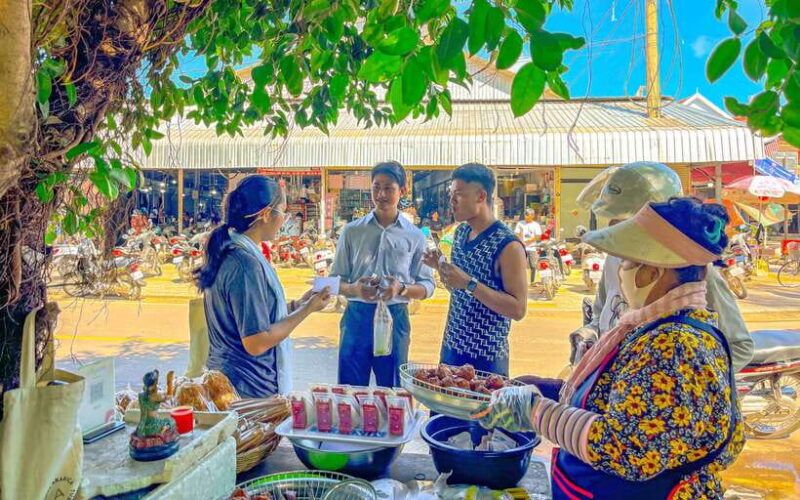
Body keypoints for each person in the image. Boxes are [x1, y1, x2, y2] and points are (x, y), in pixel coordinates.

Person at [478, 197, 745, 499]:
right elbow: (630, 400)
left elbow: (627, 449)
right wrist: (553, 390)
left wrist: (534, 411)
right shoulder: (657, 327)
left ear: (655, 271)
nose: (622, 272)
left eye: (629, 263)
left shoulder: (675, 345)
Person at [564, 162, 753, 373]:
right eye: (613, 221)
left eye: (625, 224)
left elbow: (740, 346)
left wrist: (695, 378)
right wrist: (590, 333)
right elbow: (604, 315)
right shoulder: (614, 260)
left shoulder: (694, 272)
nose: (613, 230)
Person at [196, 176, 331, 398]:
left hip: (235, 383)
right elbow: (256, 342)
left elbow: (257, 316)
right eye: (283, 212)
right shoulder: (244, 264)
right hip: (247, 390)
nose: (285, 220)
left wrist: (300, 303)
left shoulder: (235, 250)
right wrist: (307, 310)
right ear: (266, 214)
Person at [330, 161, 435, 387]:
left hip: (395, 316)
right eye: (376, 187)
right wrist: (354, 289)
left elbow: (428, 285)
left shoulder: (415, 236)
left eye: (389, 188)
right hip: (357, 317)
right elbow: (332, 282)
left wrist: (402, 289)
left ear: (402, 191)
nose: (381, 194)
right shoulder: (352, 231)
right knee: (350, 391)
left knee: (393, 391)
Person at [423, 163, 528, 376]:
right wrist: (442, 268)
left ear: (481, 196)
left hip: (487, 359)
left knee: (482, 411)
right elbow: (459, 290)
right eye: (451, 194)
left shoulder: (508, 245)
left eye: (458, 195)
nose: (451, 202)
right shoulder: (461, 233)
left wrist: (469, 283)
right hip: (451, 350)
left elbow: (518, 309)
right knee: (443, 410)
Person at [515, 209, 543, 281]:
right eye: (526, 216)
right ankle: (521, 281)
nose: (527, 217)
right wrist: (522, 241)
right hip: (522, 247)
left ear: (533, 216)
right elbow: (516, 234)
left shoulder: (536, 225)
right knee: (521, 266)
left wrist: (529, 241)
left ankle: (532, 281)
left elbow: (538, 236)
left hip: (532, 248)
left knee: (533, 266)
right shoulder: (520, 223)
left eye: (529, 216)